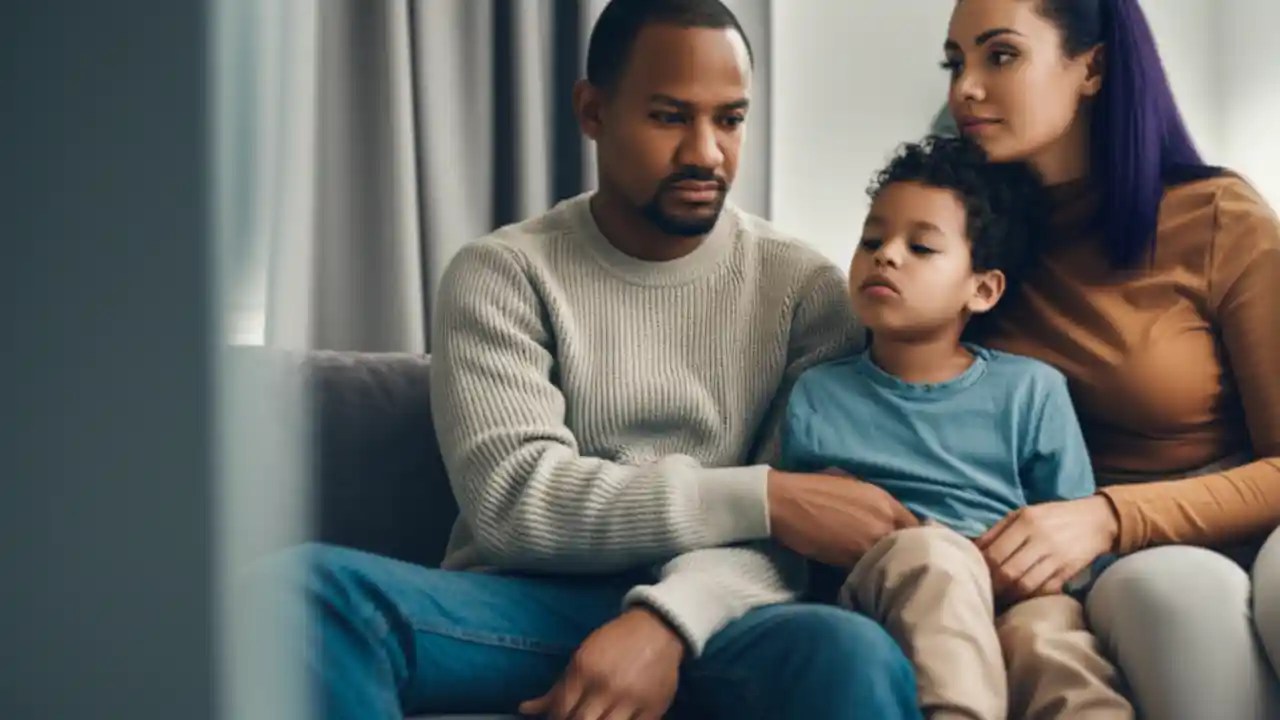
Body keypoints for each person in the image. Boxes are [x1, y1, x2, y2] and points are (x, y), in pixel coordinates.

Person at [247, 1, 925, 718]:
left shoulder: (808, 291)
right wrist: (763, 497)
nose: (706, 152)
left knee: (849, 652)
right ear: (593, 111)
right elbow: (515, 501)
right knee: (298, 592)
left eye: (729, 119)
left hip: (727, 613)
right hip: (522, 609)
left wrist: (667, 623)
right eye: (670, 116)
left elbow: (804, 533)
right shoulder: (501, 273)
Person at [940, 0, 1280, 717]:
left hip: (1246, 518)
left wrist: (1109, 515)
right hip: (1124, 566)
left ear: (1091, 66)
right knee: (1175, 597)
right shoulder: (963, 256)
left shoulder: (1217, 216)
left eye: (999, 56)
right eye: (955, 62)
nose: (964, 87)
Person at [781, 135, 1133, 720]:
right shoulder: (819, 392)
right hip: (887, 587)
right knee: (934, 561)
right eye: (872, 239)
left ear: (983, 288)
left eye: (921, 247)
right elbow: (797, 534)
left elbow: (1071, 541)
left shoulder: (1030, 390)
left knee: (1052, 643)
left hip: (1015, 592)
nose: (886, 255)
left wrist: (1030, 576)